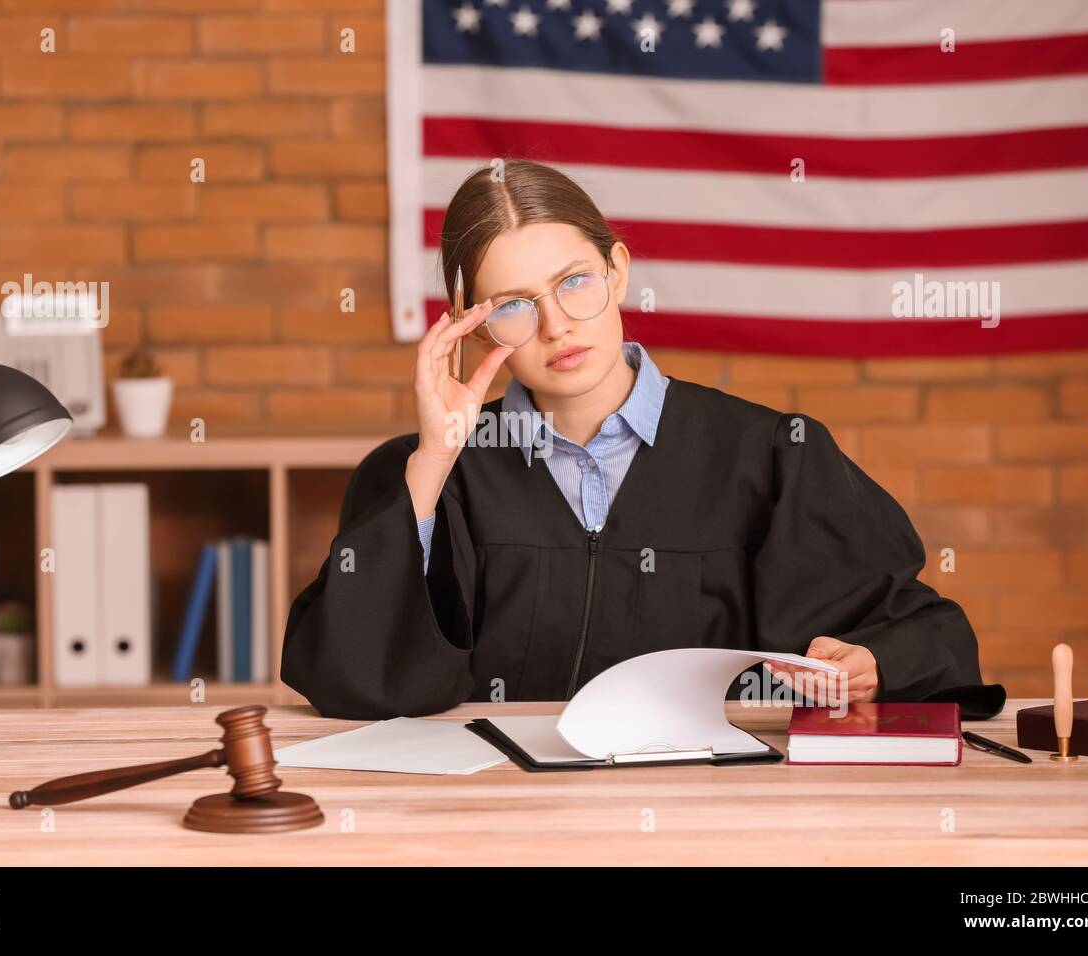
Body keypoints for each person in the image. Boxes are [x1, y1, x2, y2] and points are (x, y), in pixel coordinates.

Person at [282, 159, 1004, 722]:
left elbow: (927, 632)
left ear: (618, 271)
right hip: (497, 822)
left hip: (717, 827)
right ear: (473, 325)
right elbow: (345, 676)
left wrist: (874, 661)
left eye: (573, 283)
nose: (557, 326)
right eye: (513, 306)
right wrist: (435, 457)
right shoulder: (436, 476)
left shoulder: (772, 456)